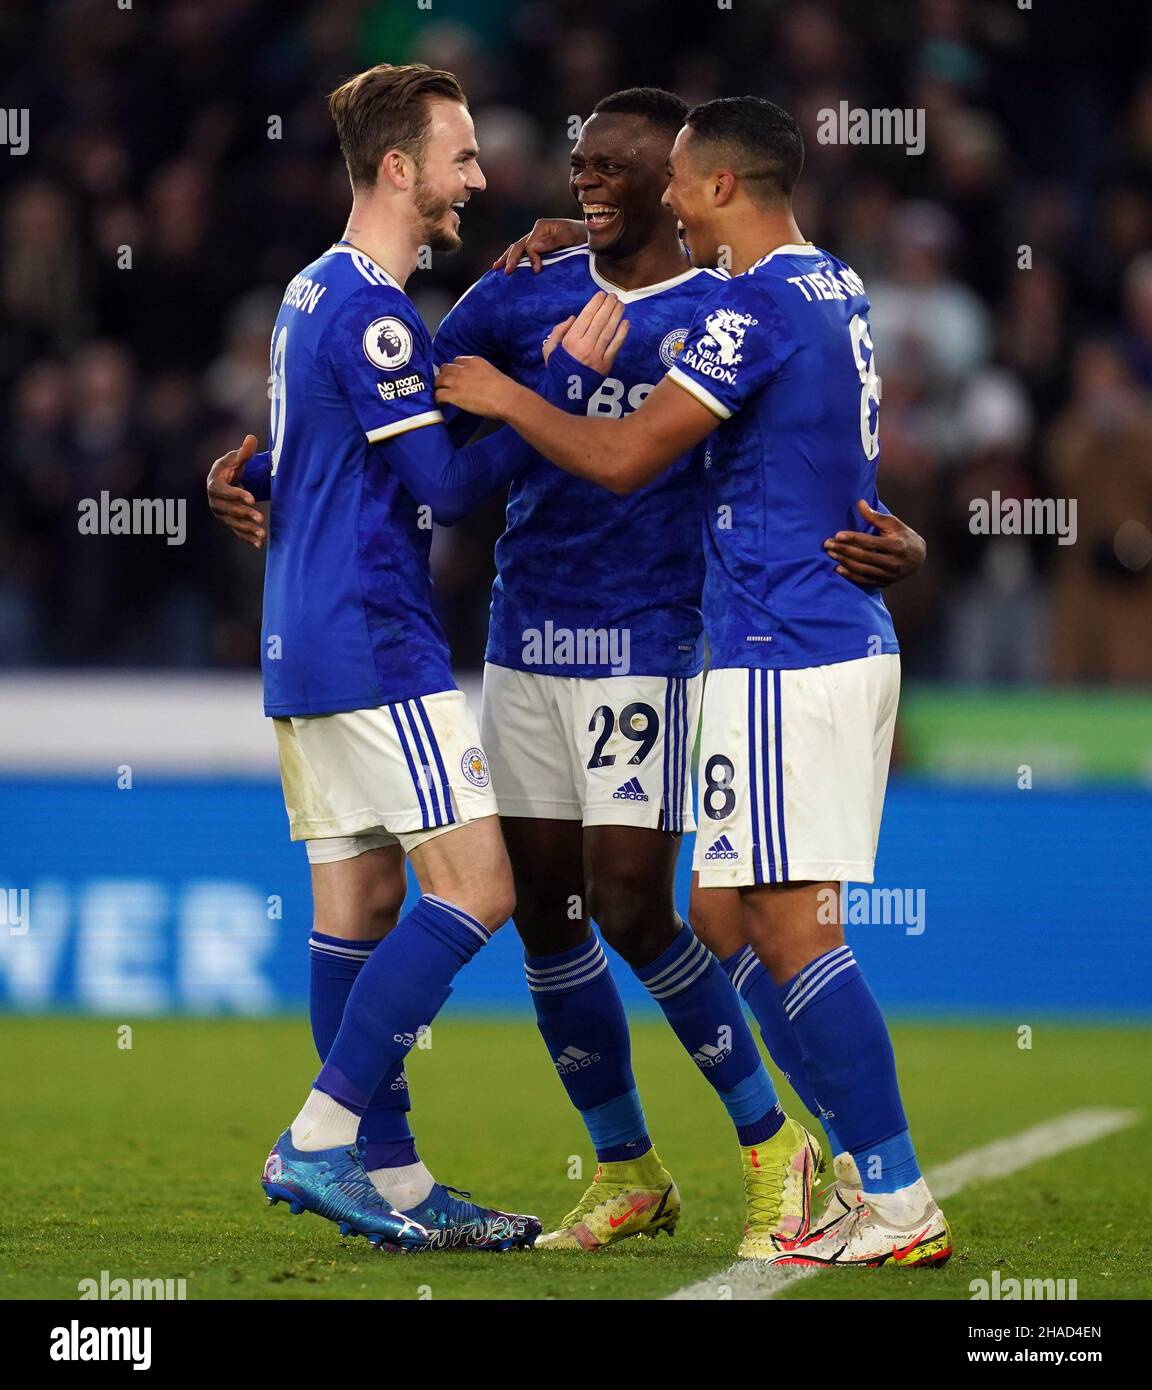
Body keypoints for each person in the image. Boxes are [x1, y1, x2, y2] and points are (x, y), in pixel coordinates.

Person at [212, 87, 926, 1258]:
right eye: (578, 165)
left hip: (647, 638)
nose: (582, 185)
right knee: (546, 912)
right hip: (522, 633)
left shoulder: (727, 301)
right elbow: (396, 410)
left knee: (638, 907)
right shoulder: (524, 284)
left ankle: (771, 1149)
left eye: (614, 169)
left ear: (681, 182)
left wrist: (905, 535)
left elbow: (807, 447)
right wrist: (262, 476)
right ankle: (626, 1166)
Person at [434, 95, 952, 1268]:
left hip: (782, 645)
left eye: (672, 181)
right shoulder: (834, 286)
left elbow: (623, 453)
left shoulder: (758, 304)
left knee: (792, 927)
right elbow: (812, 434)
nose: (660, 200)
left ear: (717, 186)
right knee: (717, 917)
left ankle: (896, 1195)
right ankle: (833, 1170)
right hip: (799, 636)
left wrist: (516, 395)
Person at [250, 61, 544, 1252]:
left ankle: (395, 1178)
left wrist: (246, 478)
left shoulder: (305, 294)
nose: (477, 175)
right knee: (480, 889)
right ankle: (319, 1137)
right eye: (461, 155)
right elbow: (446, 487)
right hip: (377, 640)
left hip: (301, 643)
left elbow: (300, 462)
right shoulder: (373, 309)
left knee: (362, 902)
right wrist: (537, 404)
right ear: (397, 168)